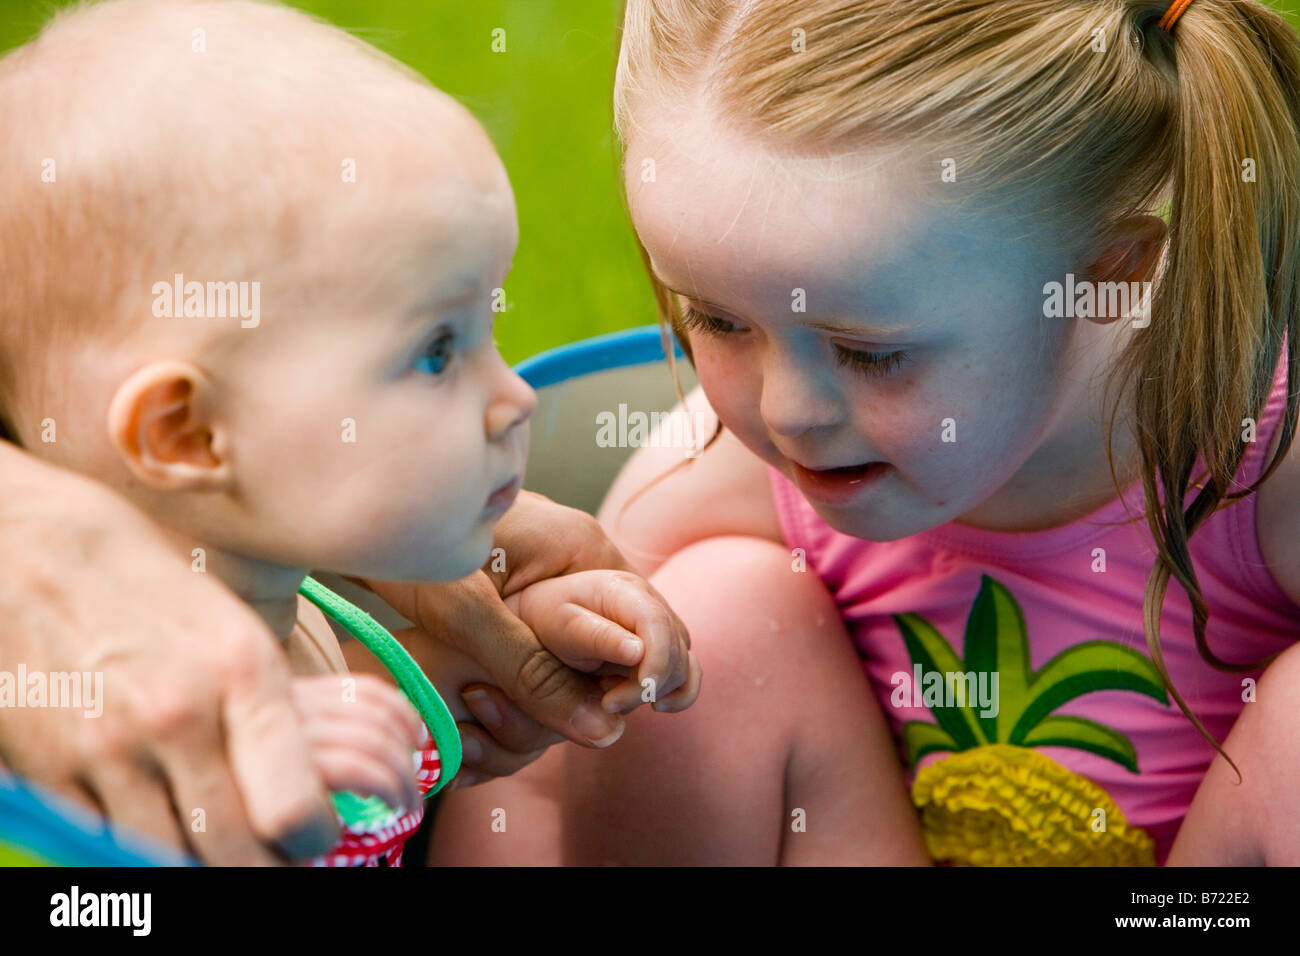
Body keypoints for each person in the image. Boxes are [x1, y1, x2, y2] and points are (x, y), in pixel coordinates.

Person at [432, 0, 1300, 865]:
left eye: (869, 353)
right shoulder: (715, 488)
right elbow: (538, 783)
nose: (786, 411)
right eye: (717, 320)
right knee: (702, 623)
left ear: (1108, 273)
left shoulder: (1265, 469)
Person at [0, 0, 698, 865]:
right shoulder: (66, 727)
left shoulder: (318, 626)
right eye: (437, 351)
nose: (514, 396)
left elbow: (404, 718)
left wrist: (521, 648)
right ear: (191, 434)